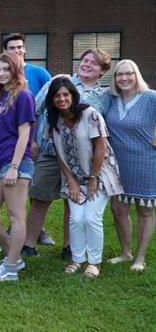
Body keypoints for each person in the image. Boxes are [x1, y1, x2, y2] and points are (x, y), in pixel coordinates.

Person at [27, 49, 112, 259]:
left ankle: (69, 246)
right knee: (39, 197)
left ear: (102, 71)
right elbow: (35, 110)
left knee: (72, 201)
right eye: (85, 60)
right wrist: (33, 140)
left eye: (94, 63)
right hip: (50, 151)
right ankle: (28, 244)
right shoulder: (59, 81)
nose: (87, 64)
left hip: (81, 160)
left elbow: (104, 128)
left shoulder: (105, 96)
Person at [47, 77, 123, 278]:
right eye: (57, 96)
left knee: (91, 217)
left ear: (73, 95)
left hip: (100, 175)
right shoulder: (54, 120)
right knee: (76, 219)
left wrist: (93, 178)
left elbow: (101, 146)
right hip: (73, 178)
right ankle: (78, 260)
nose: (62, 99)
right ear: (52, 99)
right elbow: (59, 153)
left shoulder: (90, 114)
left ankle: (94, 263)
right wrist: (71, 181)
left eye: (66, 94)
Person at [0, 52, 36, 281]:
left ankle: (11, 268)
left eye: (6, 69)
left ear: (16, 71)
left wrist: (14, 166)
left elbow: (25, 134)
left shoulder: (23, 95)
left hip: (15, 163)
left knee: (16, 216)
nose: (1, 73)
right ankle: (14, 257)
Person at [106, 60, 155, 272]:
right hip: (116, 163)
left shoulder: (150, 97)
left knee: (144, 209)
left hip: (145, 161)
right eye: (119, 74)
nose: (124, 78)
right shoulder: (110, 98)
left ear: (137, 75)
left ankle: (140, 258)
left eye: (129, 74)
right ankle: (125, 253)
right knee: (118, 208)